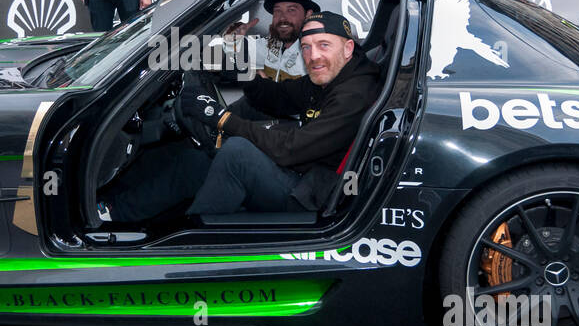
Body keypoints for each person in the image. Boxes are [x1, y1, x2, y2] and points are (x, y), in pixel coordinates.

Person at [100, 11, 382, 222]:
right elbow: (279, 97)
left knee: (236, 153)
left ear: (347, 49)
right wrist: (240, 73)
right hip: (302, 169)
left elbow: (290, 149)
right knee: (195, 160)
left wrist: (223, 119)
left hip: (310, 195)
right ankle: (112, 211)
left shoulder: (353, 93)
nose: (313, 56)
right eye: (306, 47)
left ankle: (194, 246)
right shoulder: (331, 75)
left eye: (324, 45)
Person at [222, 0, 317, 82]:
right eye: (277, 11)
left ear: (307, 14)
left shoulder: (316, 52)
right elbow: (235, 59)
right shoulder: (272, 44)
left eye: (291, 10)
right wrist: (233, 40)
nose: (282, 18)